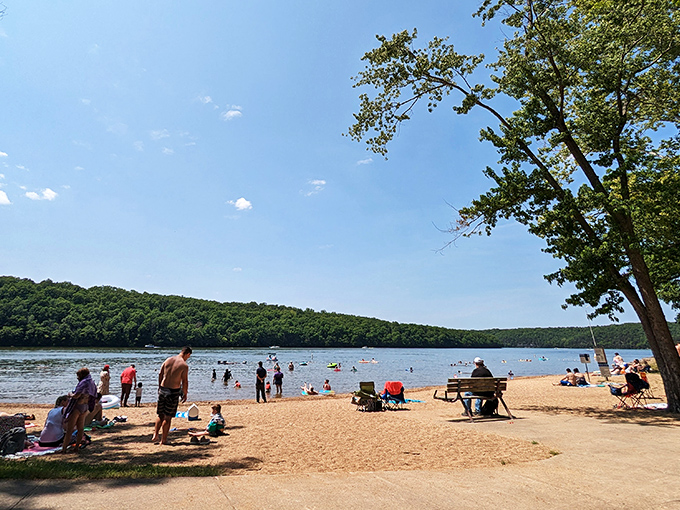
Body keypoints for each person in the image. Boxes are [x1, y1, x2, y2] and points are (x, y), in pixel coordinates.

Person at [152, 346, 192, 445]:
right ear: (187, 354)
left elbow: (160, 374)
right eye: (188, 356)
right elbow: (185, 381)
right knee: (168, 416)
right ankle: (164, 440)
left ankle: (155, 435)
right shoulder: (184, 365)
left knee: (160, 414)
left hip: (162, 389)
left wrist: (159, 386)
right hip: (173, 392)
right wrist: (185, 393)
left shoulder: (168, 360)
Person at [62, 367, 97, 453]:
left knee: (70, 429)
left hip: (77, 406)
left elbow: (77, 395)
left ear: (82, 375)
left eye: (78, 376)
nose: (77, 378)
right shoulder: (91, 382)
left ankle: (64, 449)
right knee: (80, 428)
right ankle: (76, 447)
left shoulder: (83, 382)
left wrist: (70, 395)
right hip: (85, 406)